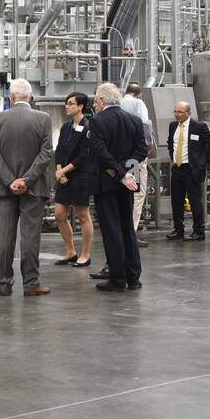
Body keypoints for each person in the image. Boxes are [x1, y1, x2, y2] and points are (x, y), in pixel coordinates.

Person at [0, 78, 54, 297]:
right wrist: (27, 180)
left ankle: (4, 284)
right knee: (30, 236)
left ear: (11, 97)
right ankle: (31, 284)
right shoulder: (43, 119)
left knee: (5, 236)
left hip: (5, 189)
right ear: (30, 97)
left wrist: (9, 180)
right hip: (33, 189)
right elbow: (46, 153)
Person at [84, 83, 148, 292]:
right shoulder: (135, 120)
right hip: (129, 181)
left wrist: (118, 174)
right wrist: (127, 171)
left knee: (111, 230)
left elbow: (100, 151)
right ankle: (133, 277)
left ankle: (118, 278)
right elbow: (142, 149)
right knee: (127, 228)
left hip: (106, 182)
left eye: (95, 101)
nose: (95, 105)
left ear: (102, 101)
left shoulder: (97, 122)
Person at [165, 100, 210, 242]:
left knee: (195, 201)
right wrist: (173, 158)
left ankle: (199, 231)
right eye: (175, 111)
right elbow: (171, 143)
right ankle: (178, 230)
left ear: (189, 113)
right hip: (177, 168)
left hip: (192, 169)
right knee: (176, 201)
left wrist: (203, 162)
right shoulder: (173, 126)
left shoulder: (198, 127)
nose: (177, 115)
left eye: (180, 112)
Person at [52, 92, 94, 267]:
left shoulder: (88, 127)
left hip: (80, 176)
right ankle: (70, 252)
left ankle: (85, 254)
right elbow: (60, 151)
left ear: (80, 106)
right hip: (64, 175)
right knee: (59, 213)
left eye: (70, 103)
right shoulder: (66, 127)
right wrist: (59, 170)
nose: (67, 106)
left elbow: (84, 156)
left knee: (82, 215)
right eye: (66, 103)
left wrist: (64, 172)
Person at [121, 82, 155, 244]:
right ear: (138, 94)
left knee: (123, 194)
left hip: (121, 157)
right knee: (137, 193)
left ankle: (122, 231)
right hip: (135, 159)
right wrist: (148, 147)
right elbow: (145, 125)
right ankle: (131, 233)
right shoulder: (138, 103)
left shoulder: (118, 103)